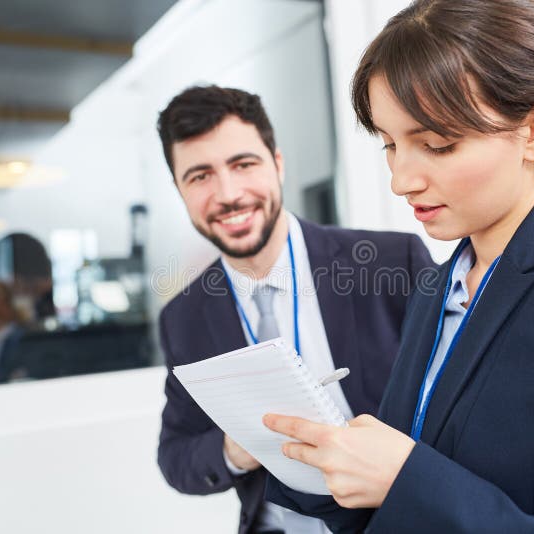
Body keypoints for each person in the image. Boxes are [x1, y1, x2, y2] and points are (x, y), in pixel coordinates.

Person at [262, 0, 534, 531]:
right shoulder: (437, 287)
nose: (402, 179)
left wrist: (407, 480)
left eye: (437, 145)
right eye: (390, 145)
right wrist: (318, 459)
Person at [154, 85, 435, 534]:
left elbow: (456, 414)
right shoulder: (183, 318)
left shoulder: (390, 264)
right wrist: (237, 447)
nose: (228, 194)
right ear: (179, 189)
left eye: (243, 165)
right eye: (200, 176)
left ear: (277, 164)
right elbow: (176, 456)